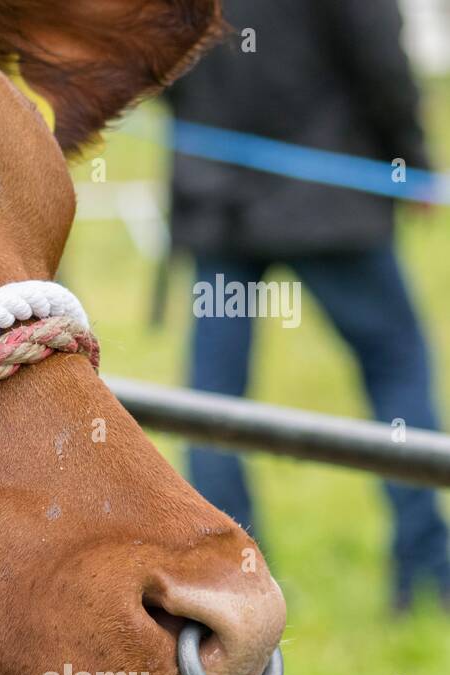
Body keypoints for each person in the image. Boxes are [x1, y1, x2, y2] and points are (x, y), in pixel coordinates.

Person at [166, 0, 449, 611]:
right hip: (325, 202)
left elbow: (155, 54)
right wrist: (414, 159)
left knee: (210, 402)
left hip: (225, 199)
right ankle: (426, 572)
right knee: (397, 363)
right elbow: (380, 56)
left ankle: (230, 582)